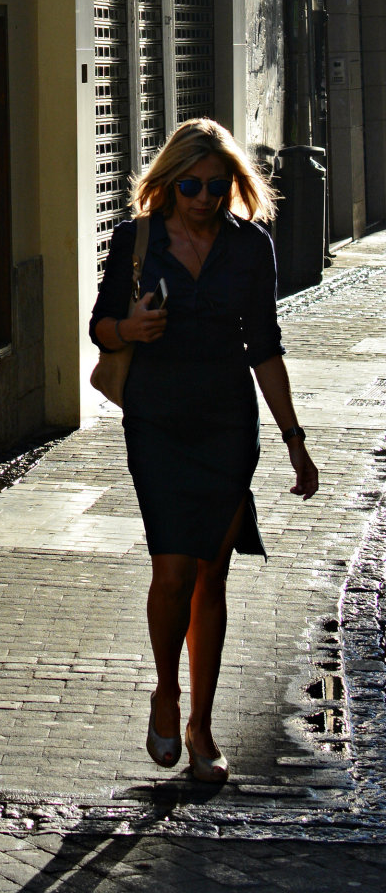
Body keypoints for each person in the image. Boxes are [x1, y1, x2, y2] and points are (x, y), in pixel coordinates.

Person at [90, 118, 318, 785]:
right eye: (191, 185)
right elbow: (100, 322)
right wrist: (128, 327)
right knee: (173, 572)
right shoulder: (136, 240)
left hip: (226, 426)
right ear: (167, 182)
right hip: (157, 423)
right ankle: (167, 692)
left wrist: (294, 441)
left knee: (211, 575)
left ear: (231, 188)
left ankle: (202, 727)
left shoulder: (251, 248)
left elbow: (265, 347)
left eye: (217, 188)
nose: (204, 198)